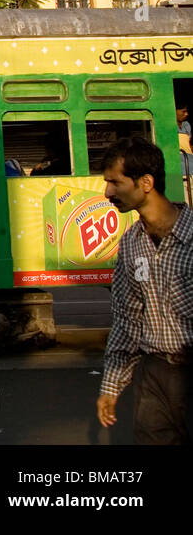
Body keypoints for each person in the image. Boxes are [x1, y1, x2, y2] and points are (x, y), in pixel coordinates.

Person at [95, 136, 193, 444]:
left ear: (146, 182)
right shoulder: (131, 243)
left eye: (115, 182)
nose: (108, 192)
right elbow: (127, 320)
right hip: (155, 374)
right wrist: (111, 387)